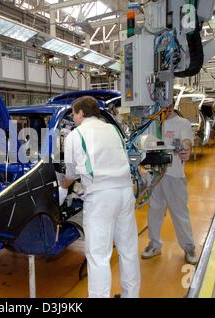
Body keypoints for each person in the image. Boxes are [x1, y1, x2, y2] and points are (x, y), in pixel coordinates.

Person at [58, 96, 140, 298]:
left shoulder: (75, 136)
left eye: (74, 113)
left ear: (81, 113)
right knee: (128, 250)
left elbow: (70, 173)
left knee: (98, 257)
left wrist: (63, 184)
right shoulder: (113, 130)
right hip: (124, 192)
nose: (73, 118)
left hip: (101, 198)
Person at [141, 104, 197, 265]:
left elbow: (187, 140)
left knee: (179, 212)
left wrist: (186, 148)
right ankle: (154, 244)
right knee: (154, 211)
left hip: (174, 175)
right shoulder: (151, 123)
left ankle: (189, 247)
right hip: (154, 175)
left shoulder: (182, 123)